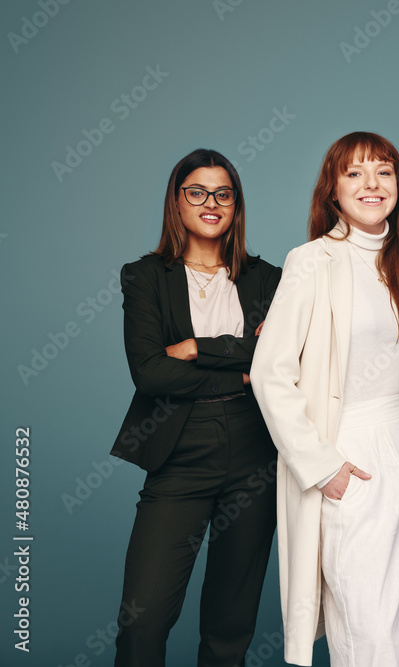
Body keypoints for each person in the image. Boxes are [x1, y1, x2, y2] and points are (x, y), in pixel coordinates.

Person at [250, 132, 399, 666]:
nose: (371, 184)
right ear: (332, 191)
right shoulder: (313, 261)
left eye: (383, 171)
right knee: (366, 621)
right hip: (350, 449)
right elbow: (269, 372)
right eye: (354, 173)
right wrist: (322, 465)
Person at [111, 148, 281, 667]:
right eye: (197, 192)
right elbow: (149, 372)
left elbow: (278, 359)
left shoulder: (269, 279)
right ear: (177, 201)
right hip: (178, 449)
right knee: (142, 620)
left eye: (223, 193)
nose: (211, 203)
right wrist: (241, 368)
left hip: (255, 450)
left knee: (231, 625)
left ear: (236, 204)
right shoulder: (144, 276)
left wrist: (195, 348)